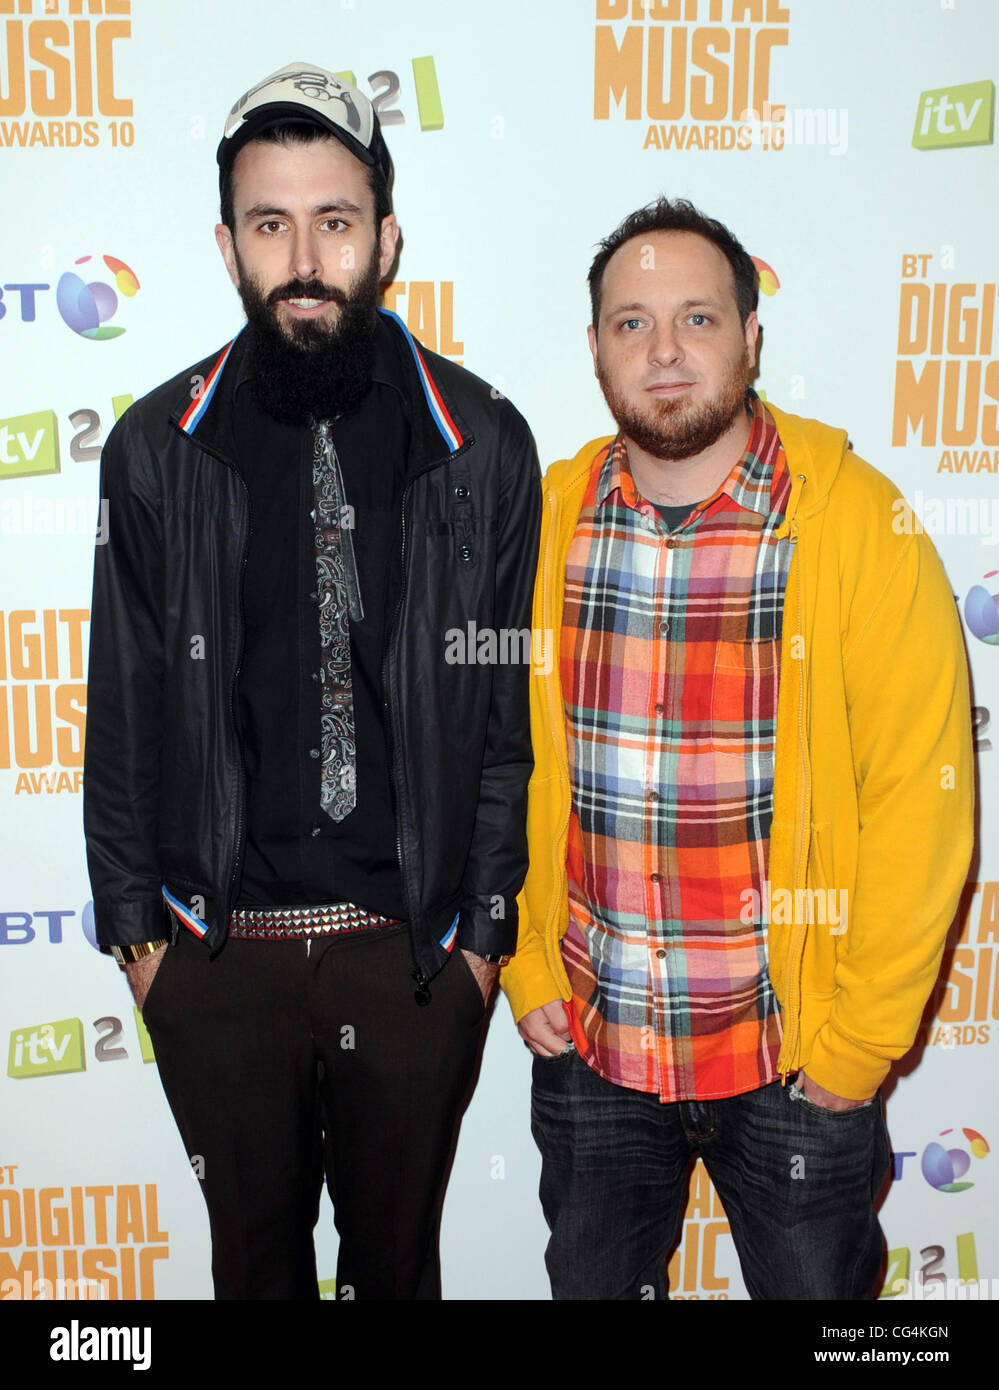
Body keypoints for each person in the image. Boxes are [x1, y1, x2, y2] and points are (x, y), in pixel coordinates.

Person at [84, 61, 540, 1301]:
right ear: (226, 243)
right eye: (270, 224)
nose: (303, 256)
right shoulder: (156, 446)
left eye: (333, 221)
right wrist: (140, 937)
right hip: (216, 955)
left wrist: (481, 941)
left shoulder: (481, 440)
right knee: (256, 1276)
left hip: (410, 958)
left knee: (399, 1272)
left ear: (385, 237)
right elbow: (122, 705)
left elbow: (503, 708)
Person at [501, 197, 973, 1301]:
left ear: (752, 336)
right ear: (594, 349)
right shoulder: (546, 519)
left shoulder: (856, 521)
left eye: (698, 318)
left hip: (796, 1063)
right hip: (596, 1050)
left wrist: (856, 1054)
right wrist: (527, 963)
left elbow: (922, 800)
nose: (664, 352)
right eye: (631, 324)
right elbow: (498, 757)